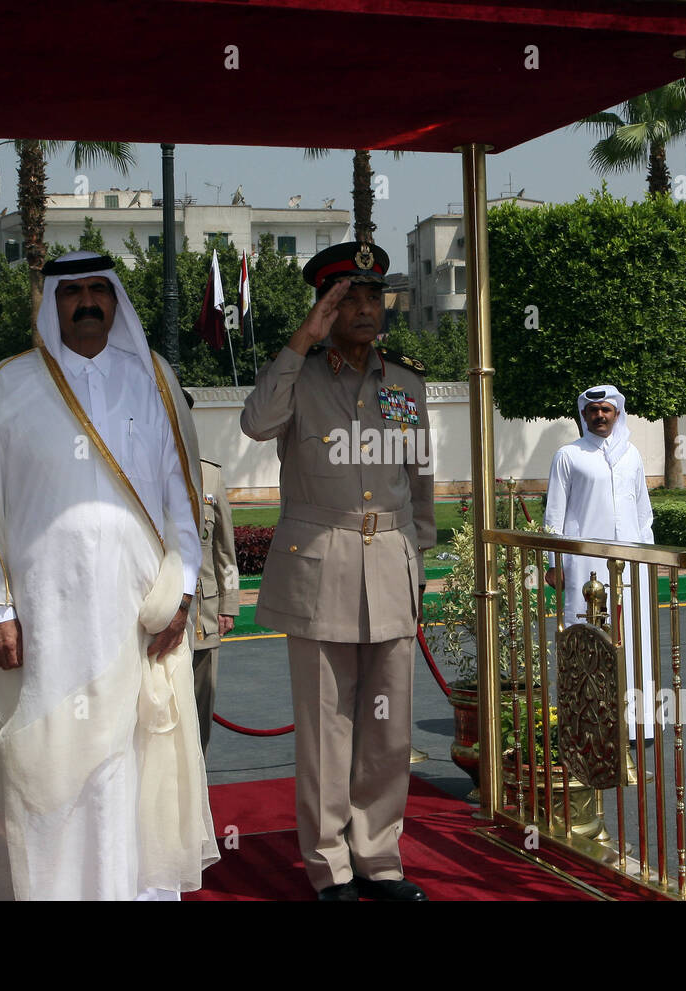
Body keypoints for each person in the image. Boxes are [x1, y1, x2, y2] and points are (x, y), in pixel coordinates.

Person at [0, 250, 218, 900]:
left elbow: (179, 498)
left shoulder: (150, 380)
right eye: (70, 291)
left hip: (133, 619)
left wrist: (183, 590)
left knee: (124, 764)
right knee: (46, 762)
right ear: (51, 301)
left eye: (98, 289)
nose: (85, 302)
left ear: (116, 298)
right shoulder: (11, 384)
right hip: (46, 621)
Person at [241, 241, 436, 902]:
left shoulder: (405, 383)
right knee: (326, 728)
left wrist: (416, 554)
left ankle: (379, 857)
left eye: (372, 296)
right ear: (324, 306)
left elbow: (420, 480)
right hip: (320, 567)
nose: (363, 309)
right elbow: (256, 421)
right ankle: (330, 866)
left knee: (388, 724)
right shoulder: (298, 377)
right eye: (345, 297)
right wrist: (304, 339)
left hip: (390, 567)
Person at [543, 386, 656, 743]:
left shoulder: (632, 456)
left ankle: (637, 724)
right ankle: (586, 721)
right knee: (587, 640)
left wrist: (648, 558)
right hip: (583, 567)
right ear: (584, 415)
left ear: (617, 413)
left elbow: (644, 515)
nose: (600, 415)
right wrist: (554, 562)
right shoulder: (568, 455)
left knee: (633, 637)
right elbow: (554, 515)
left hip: (631, 564)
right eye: (593, 410)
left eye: (606, 409)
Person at [183, 391, 240, 755]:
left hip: (203, 614)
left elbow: (224, 548)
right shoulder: (138, 474)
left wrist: (228, 604)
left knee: (202, 704)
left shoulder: (210, 476)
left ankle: (198, 777)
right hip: (153, 615)